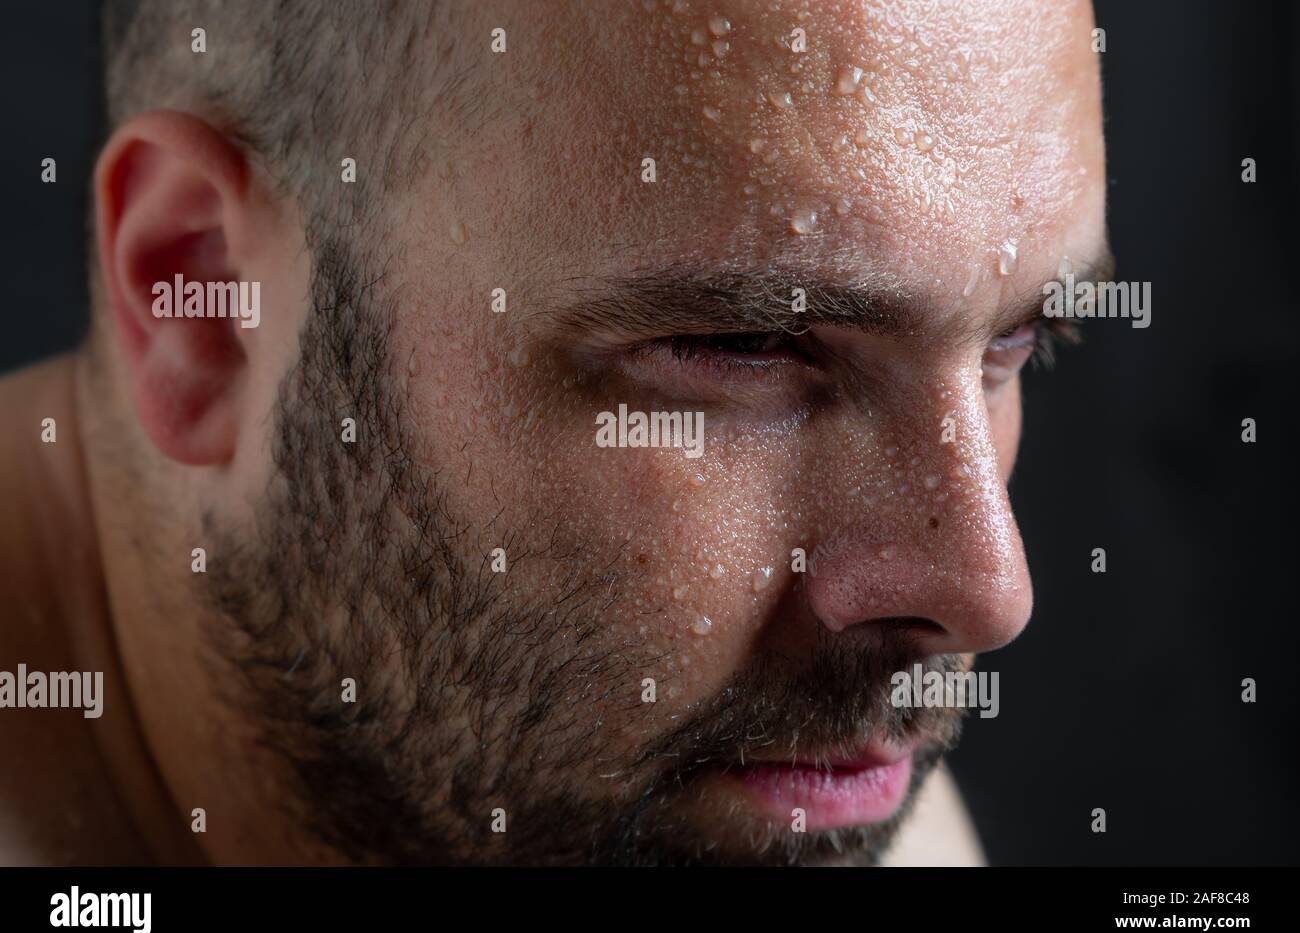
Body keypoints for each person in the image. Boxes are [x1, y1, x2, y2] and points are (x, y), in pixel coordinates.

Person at [0, 0, 1109, 865]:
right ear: (203, 310)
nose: (985, 590)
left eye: (1016, 340)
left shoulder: (756, 780)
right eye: (748, 346)